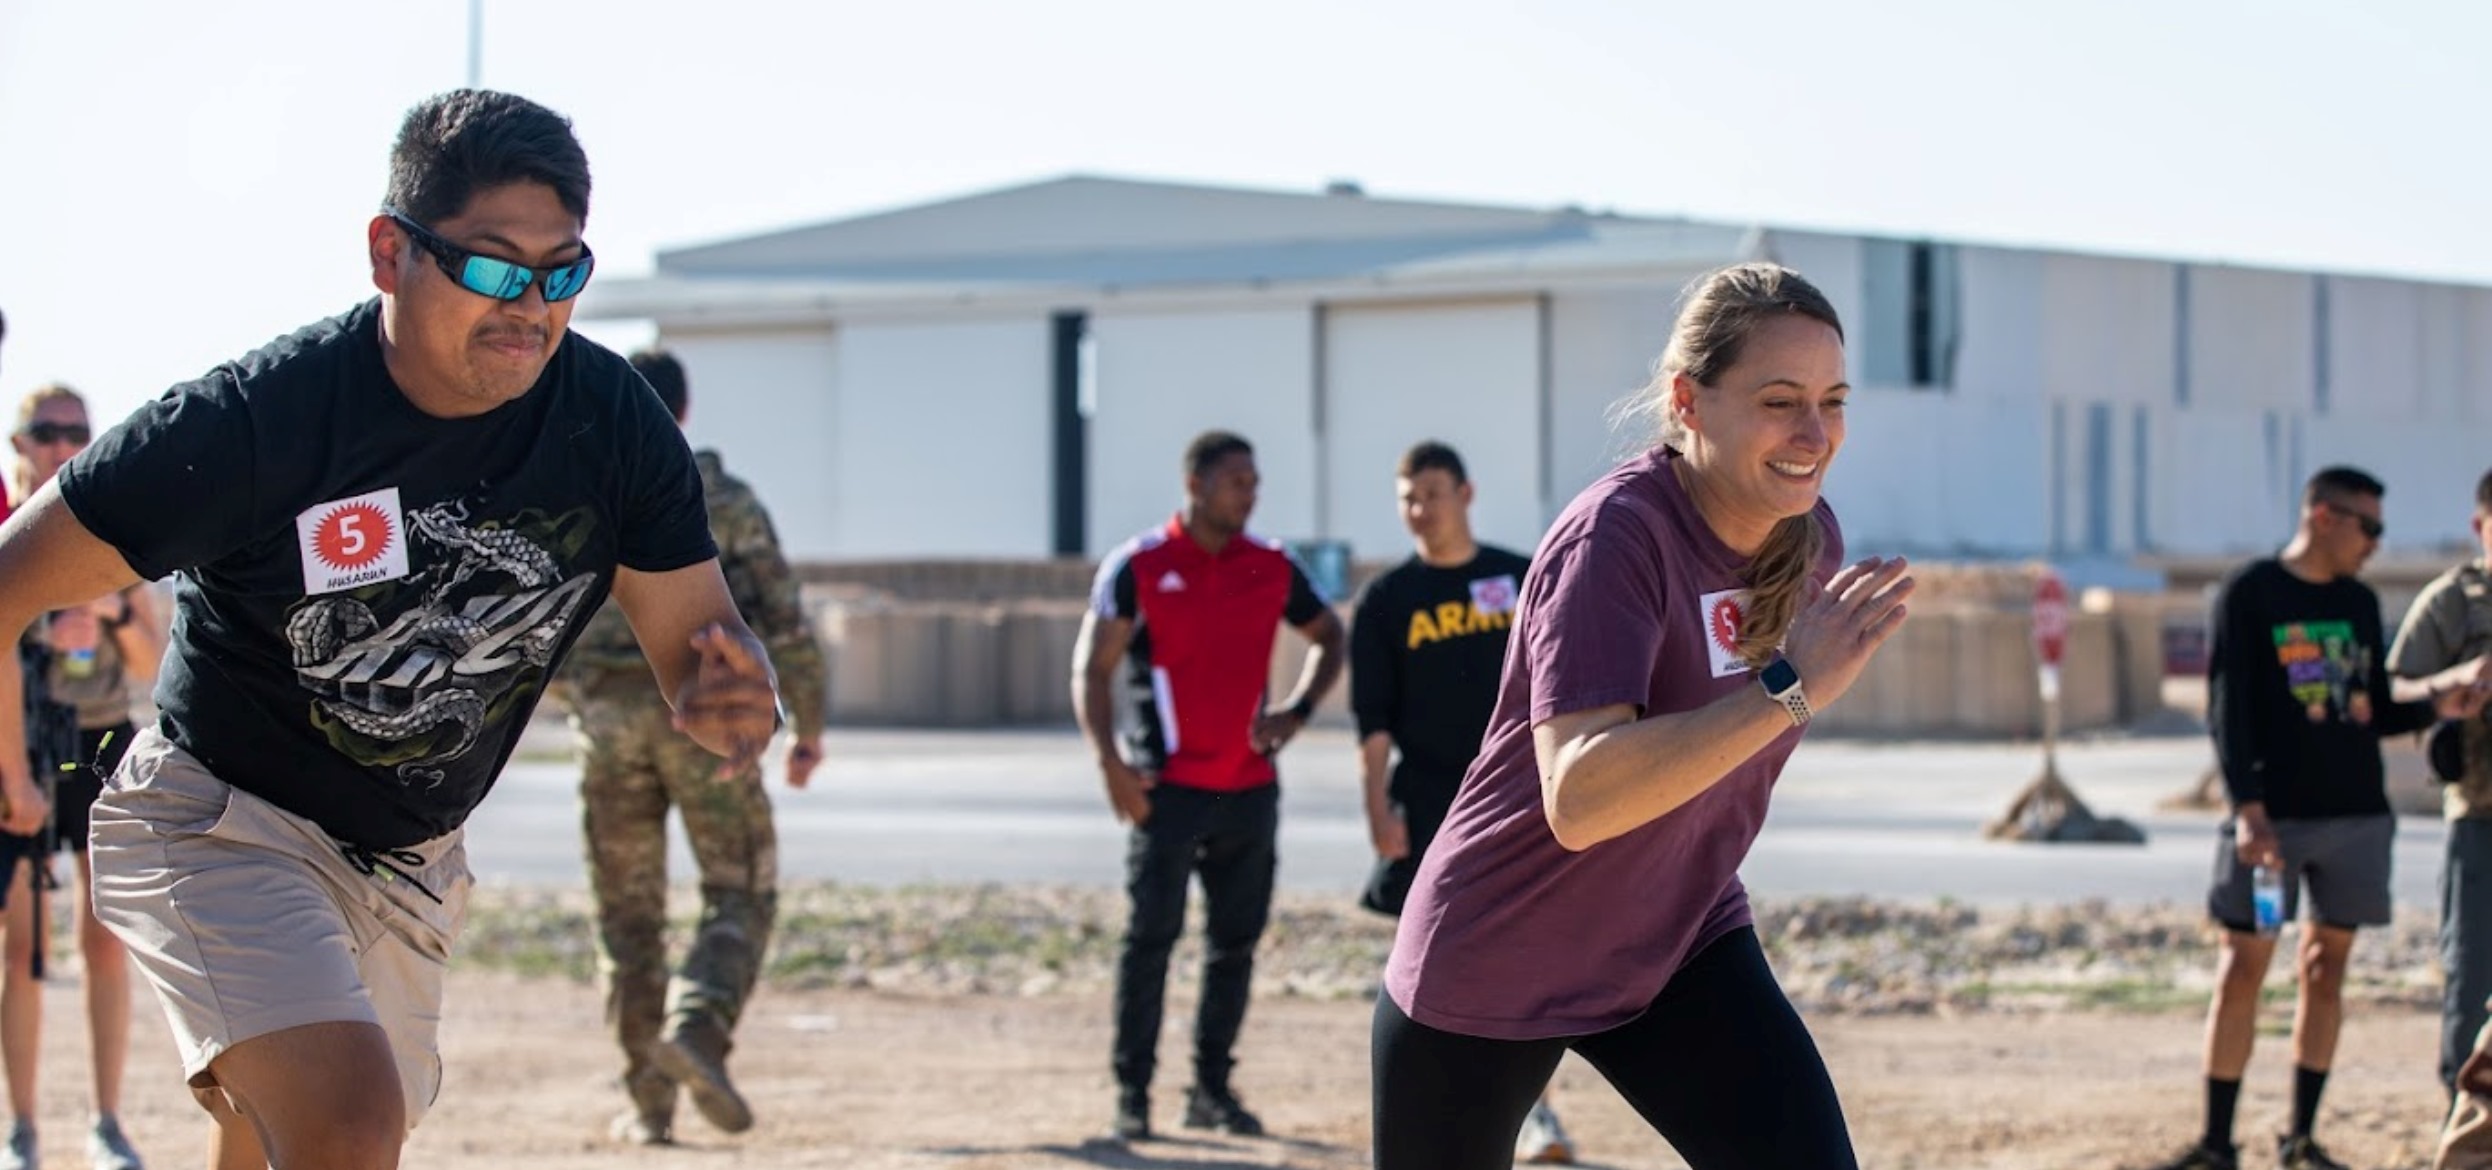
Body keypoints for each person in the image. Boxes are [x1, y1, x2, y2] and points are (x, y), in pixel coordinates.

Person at [0, 89, 783, 1170]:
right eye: (494, 266)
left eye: (562, 273)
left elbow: (703, 654)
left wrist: (738, 704)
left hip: (409, 864)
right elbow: (5, 584)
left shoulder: (609, 427)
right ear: (389, 253)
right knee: (348, 1126)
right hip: (220, 822)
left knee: (276, 1136)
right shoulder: (254, 424)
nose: (531, 307)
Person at [1370, 262, 1913, 1170]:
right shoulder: (1615, 539)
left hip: (1678, 933)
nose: (1814, 434)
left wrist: (1792, 681)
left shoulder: (1810, 543)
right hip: (1501, 946)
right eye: (1780, 400)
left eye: (1834, 399)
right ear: (1688, 401)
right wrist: (1791, 685)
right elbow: (1579, 799)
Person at [2142, 467, 2486, 1170]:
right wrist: (2248, 812)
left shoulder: (2360, 603)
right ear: (2326, 517)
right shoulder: (2251, 592)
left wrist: (2443, 697)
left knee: (2325, 971)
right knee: (2243, 967)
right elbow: (2226, 707)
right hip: (2273, 819)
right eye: (2371, 528)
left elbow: (2375, 708)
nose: (2376, 546)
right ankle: (2216, 1144)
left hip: (2355, 814)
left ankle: (2300, 1138)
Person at [546, 348, 828, 1147]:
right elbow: (785, 620)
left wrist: (574, 697)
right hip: (707, 721)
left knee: (625, 918)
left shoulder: (580, 492)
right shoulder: (727, 501)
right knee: (740, 889)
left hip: (605, 725)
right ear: (684, 411)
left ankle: (648, 1106)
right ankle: (698, 1029)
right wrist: (807, 725)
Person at [1072, 429, 1346, 1142]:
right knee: (1149, 940)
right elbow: (1091, 671)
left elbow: (1330, 636)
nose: (1250, 493)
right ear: (1194, 485)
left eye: (1254, 481)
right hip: (1165, 791)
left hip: (1249, 790)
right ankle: (1132, 1093)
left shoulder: (1273, 565)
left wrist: (1297, 712)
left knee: (1235, 946)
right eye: (1236, 481)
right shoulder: (1139, 565)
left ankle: (1211, 1089)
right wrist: (1110, 764)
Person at [1348, 440, 1581, 1163]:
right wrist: (1376, 813)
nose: (1422, 510)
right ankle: (1439, 1117)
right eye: (1409, 498)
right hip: (1429, 809)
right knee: (1439, 971)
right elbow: (1373, 722)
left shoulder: (1516, 577)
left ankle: (1536, 1114)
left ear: (1466, 494)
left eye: (1434, 494)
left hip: (1521, 802)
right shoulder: (1388, 601)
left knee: (1529, 961)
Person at [0, 386, 163, 1170]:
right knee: (24, 950)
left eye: (77, 432)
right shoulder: (8, 539)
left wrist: (111, 615)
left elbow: (151, 667)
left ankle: (105, 1123)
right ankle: (22, 1128)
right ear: (19, 443)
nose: (63, 446)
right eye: (47, 432)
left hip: (99, 746)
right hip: (23, 752)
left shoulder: (108, 527)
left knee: (104, 941)